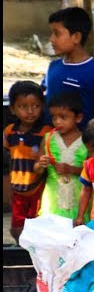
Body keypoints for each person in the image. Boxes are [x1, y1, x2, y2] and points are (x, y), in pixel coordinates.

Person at [44, 7, 94, 125]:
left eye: (57, 34)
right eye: (51, 33)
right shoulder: (53, 67)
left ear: (76, 37)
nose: (51, 39)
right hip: (51, 140)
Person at [5, 82, 51, 240]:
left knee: (36, 226)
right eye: (23, 106)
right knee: (16, 228)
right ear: (12, 109)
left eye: (35, 106)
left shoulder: (46, 132)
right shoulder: (9, 132)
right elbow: (9, 160)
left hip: (37, 189)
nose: (30, 111)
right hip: (17, 190)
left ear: (42, 107)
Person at [36, 91, 86, 220]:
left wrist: (72, 170)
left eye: (63, 117)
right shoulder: (48, 139)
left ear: (78, 117)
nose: (57, 122)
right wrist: (40, 164)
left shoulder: (87, 141)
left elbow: (93, 172)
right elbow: (36, 169)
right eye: (53, 117)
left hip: (78, 200)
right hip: (53, 201)